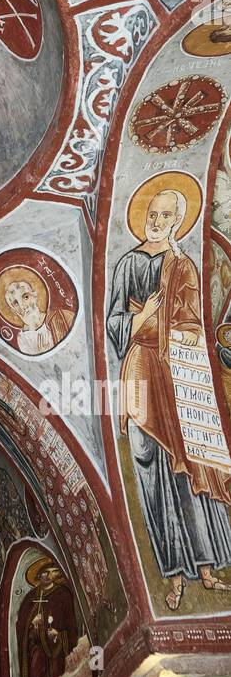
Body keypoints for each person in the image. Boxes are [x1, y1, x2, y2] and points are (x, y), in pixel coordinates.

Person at [106, 187, 231, 611]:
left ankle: (207, 567)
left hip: (176, 371)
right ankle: (173, 574)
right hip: (141, 370)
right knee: (149, 467)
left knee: (188, 465)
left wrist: (169, 327)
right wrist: (142, 317)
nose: (155, 222)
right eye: (151, 214)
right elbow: (114, 322)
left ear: (177, 221)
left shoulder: (183, 266)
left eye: (164, 216)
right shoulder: (128, 263)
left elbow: (192, 320)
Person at [16, 559, 79, 677]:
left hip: (58, 650)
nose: (49, 576)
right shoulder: (29, 599)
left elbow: (71, 627)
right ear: (38, 575)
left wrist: (59, 635)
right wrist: (32, 624)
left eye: (54, 572)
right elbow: (21, 629)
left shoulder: (63, 594)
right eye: (45, 572)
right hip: (37, 650)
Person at [3, 275, 74, 355]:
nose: (23, 306)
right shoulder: (23, 339)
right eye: (16, 303)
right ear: (14, 310)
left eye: (26, 297)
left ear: (34, 296)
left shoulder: (63, 316)